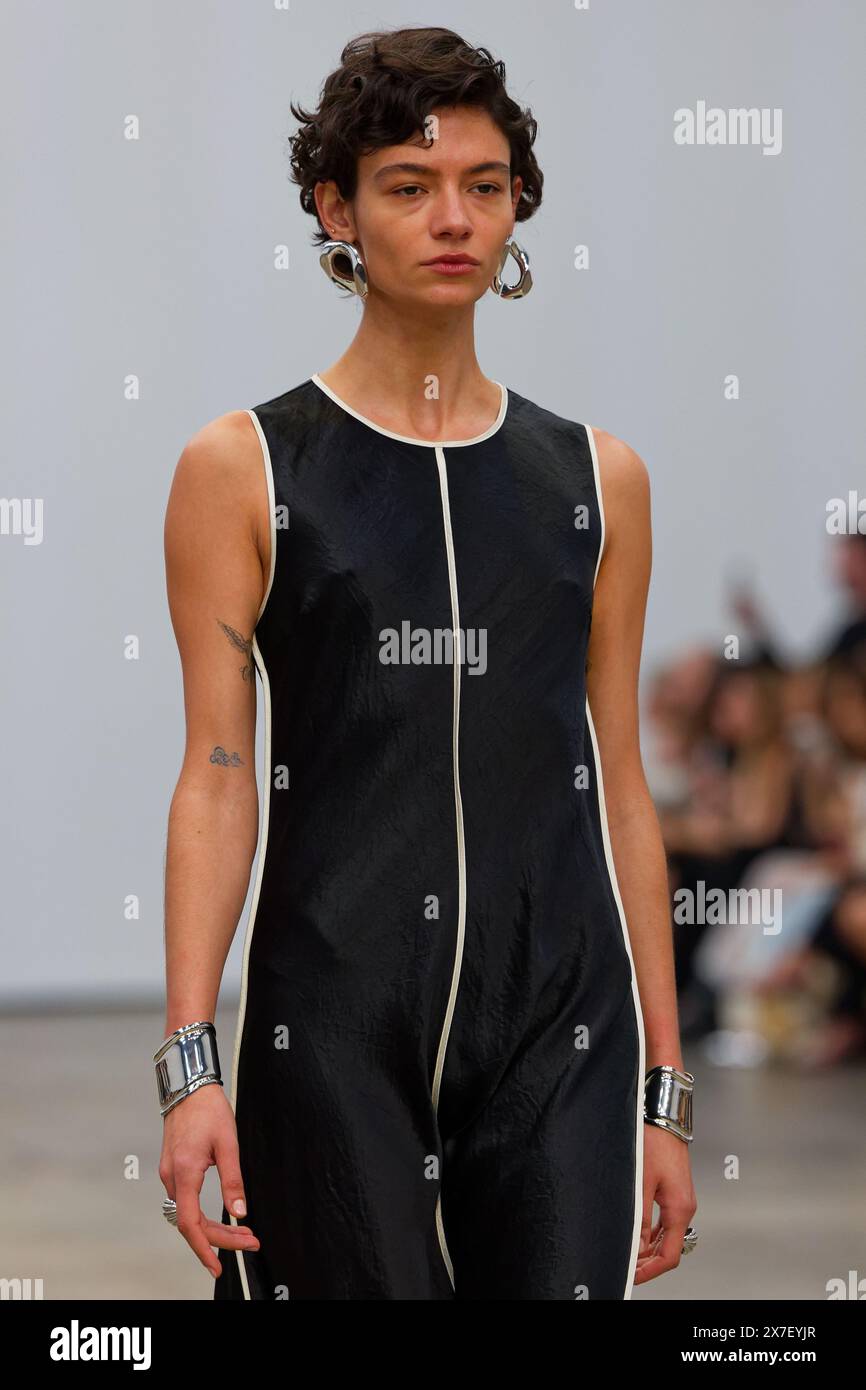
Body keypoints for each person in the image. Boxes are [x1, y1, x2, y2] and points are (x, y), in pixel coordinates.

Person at [156, 25, 696, 1301]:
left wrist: (664, 1088)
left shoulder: (595, 481)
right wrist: (191, 1067)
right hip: (332, 1027)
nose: (453, 217)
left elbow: (617, 780)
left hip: (560, 1030)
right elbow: (220, 772)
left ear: (515, 205)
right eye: (408, 185)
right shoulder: (245, 467)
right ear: (335, 207)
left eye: (484, 185)